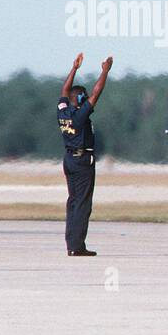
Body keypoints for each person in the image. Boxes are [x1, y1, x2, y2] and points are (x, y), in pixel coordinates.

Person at [57, 53, 112, 256]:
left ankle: (71, 243)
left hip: (69, 159)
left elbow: (64, 90)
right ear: (80, 99)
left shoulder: (62, 112)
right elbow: (96, 93)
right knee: (82, 204)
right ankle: (77, 246)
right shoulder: (80, 116)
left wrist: (74, 68)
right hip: (82, 161)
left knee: (72, 201)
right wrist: (105, 71)